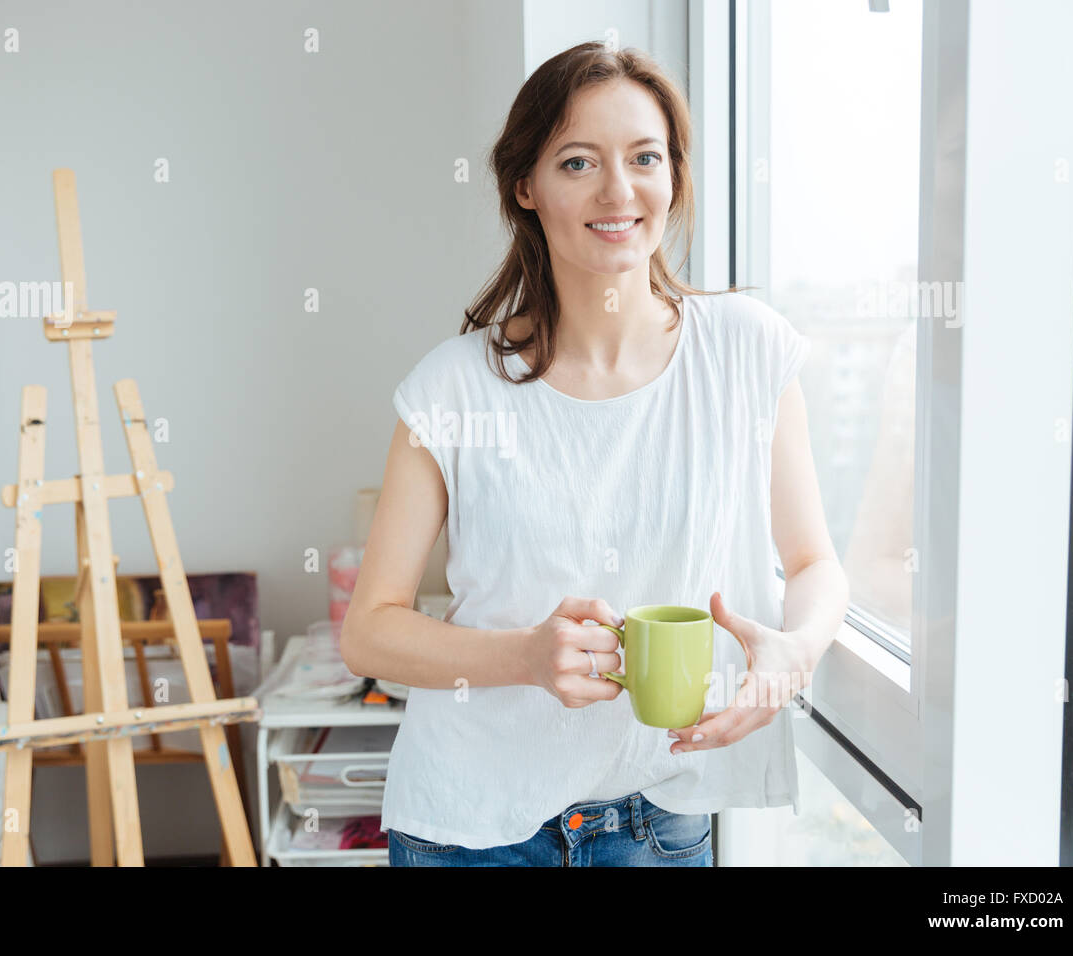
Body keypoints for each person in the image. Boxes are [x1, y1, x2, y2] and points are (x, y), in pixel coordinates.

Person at [340, 41, 849, 867]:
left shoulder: (748, 354)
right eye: (579, 162)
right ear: (525, 186)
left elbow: (815, 560)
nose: (620, 191)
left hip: (661, 819)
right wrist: (523, 657)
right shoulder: (453, 390)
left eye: (645, 157)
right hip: (472, 827)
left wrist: (796, 652)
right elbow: (370, 631)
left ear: (674, 175)